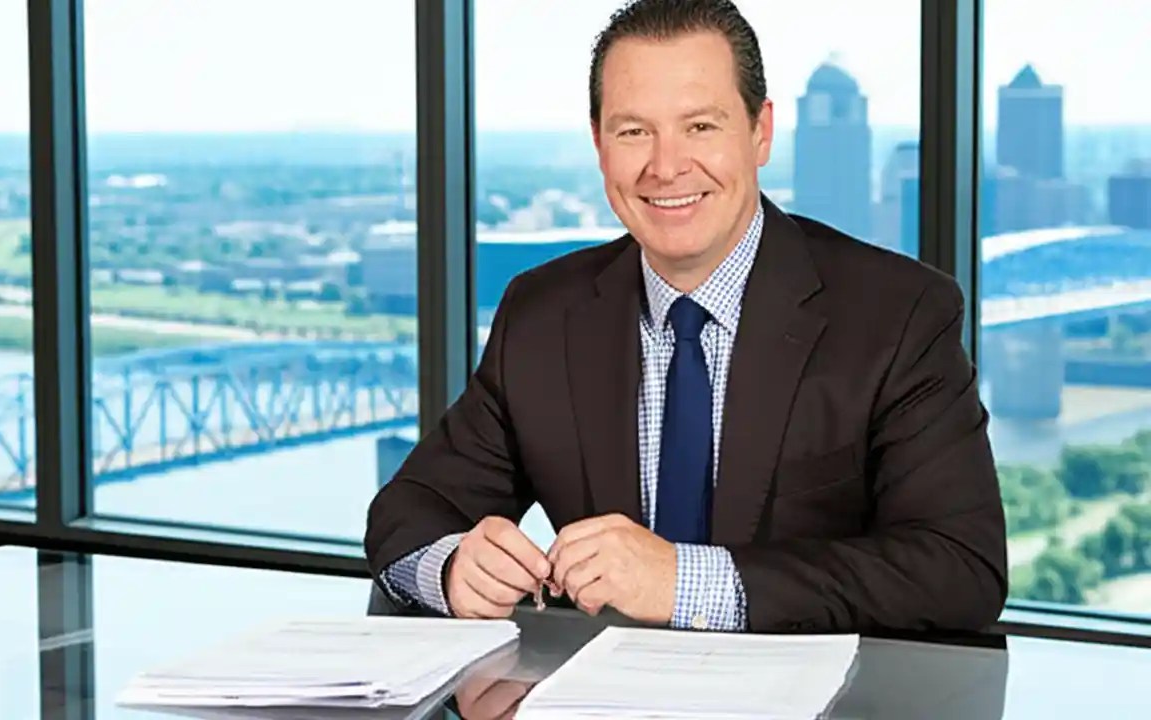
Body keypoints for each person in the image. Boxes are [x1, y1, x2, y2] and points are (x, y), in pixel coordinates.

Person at [364, 0, 1008, 634]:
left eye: (700, 126)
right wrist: (451, 569)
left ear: (760, 132)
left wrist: (685, 581)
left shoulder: (898, 314)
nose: (666, 166)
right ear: (598, 144)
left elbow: (959, 568)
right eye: (633, 131)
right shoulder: (542, 315)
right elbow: (410, 508)